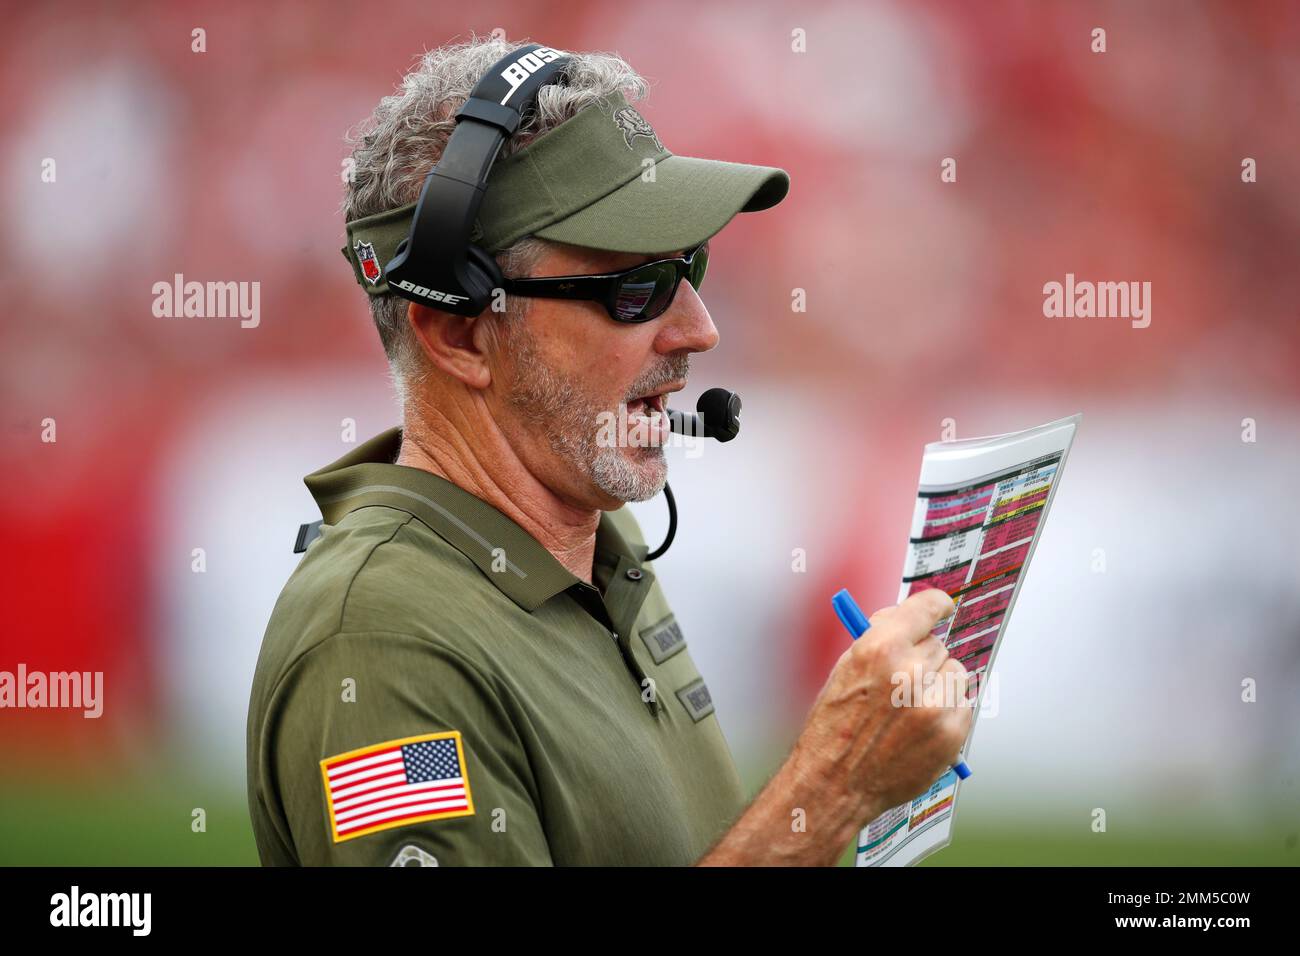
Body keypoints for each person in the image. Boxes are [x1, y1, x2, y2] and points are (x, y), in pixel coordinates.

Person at [245, 36, 971, 866]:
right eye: (634, 289)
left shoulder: (593, 554)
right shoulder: (381, 642)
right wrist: (833, 787)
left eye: (688, 266)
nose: (700, 328)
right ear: (457, 334)